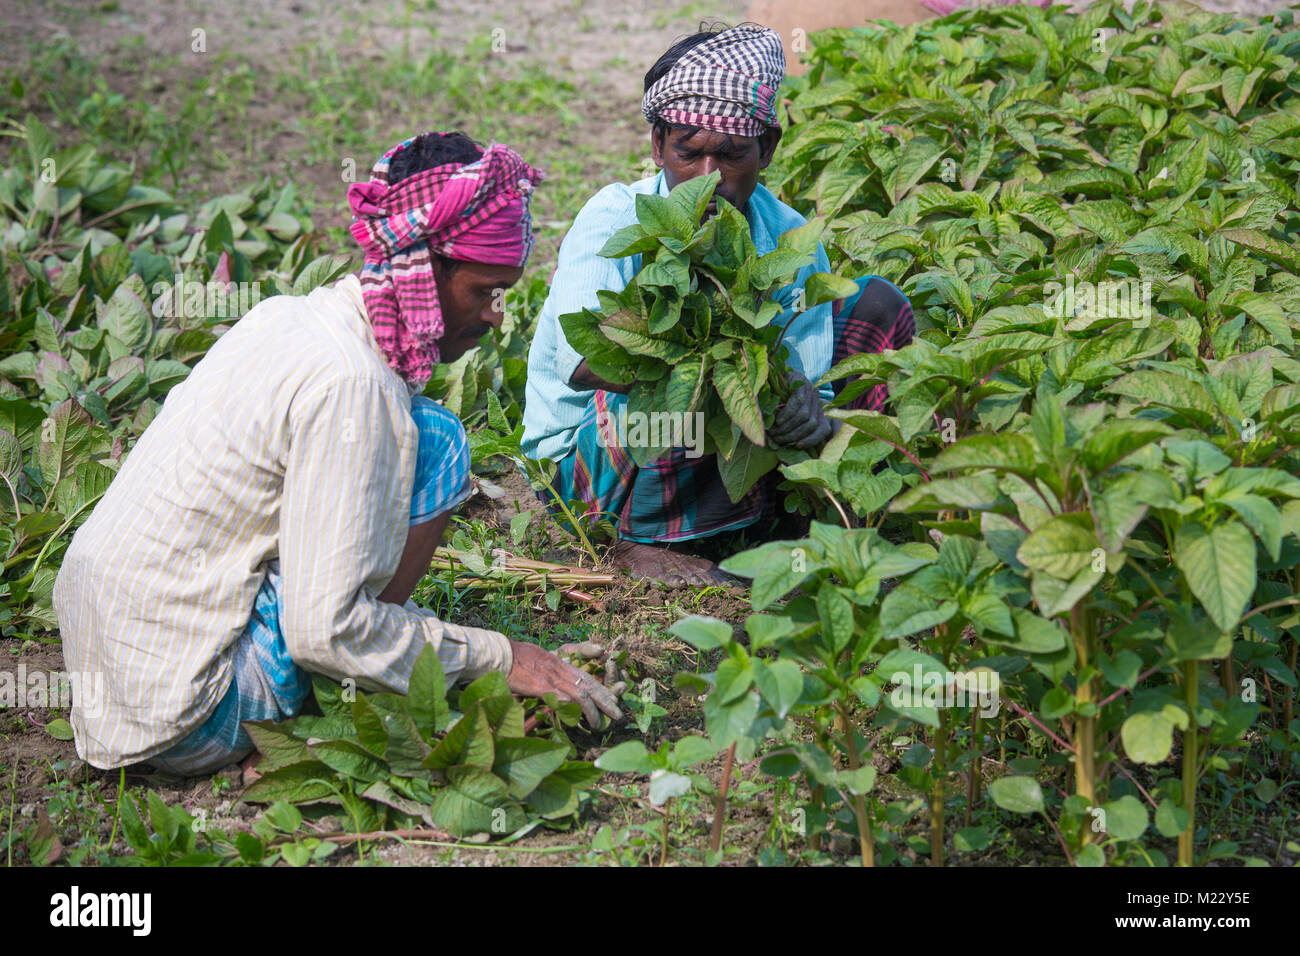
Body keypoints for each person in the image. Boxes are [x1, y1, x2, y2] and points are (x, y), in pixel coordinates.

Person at [52, 132, 621, 776]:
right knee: (436, 441)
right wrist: (499, 656)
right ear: (423, 266)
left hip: (108, 674)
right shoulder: (353, 384)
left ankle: (389, 647)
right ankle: (356, 679)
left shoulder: (289, 316)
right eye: (487, 289)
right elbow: (325, 631)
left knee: (412, 436)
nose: (496, 315)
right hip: (193, 713)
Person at [521, 24, 913, 587]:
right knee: (686, 378)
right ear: (658, 146)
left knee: (875, 305)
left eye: (731, 156)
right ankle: (630, 543)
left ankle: (830, 513)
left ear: (767, 150)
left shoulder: (788, 236)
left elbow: (810, 379)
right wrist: (716, 365)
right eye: (688, 154)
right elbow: (582, 365)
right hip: (586, 465)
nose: (708, 180)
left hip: (727, 444)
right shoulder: (613, 219)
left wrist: (807, 405)